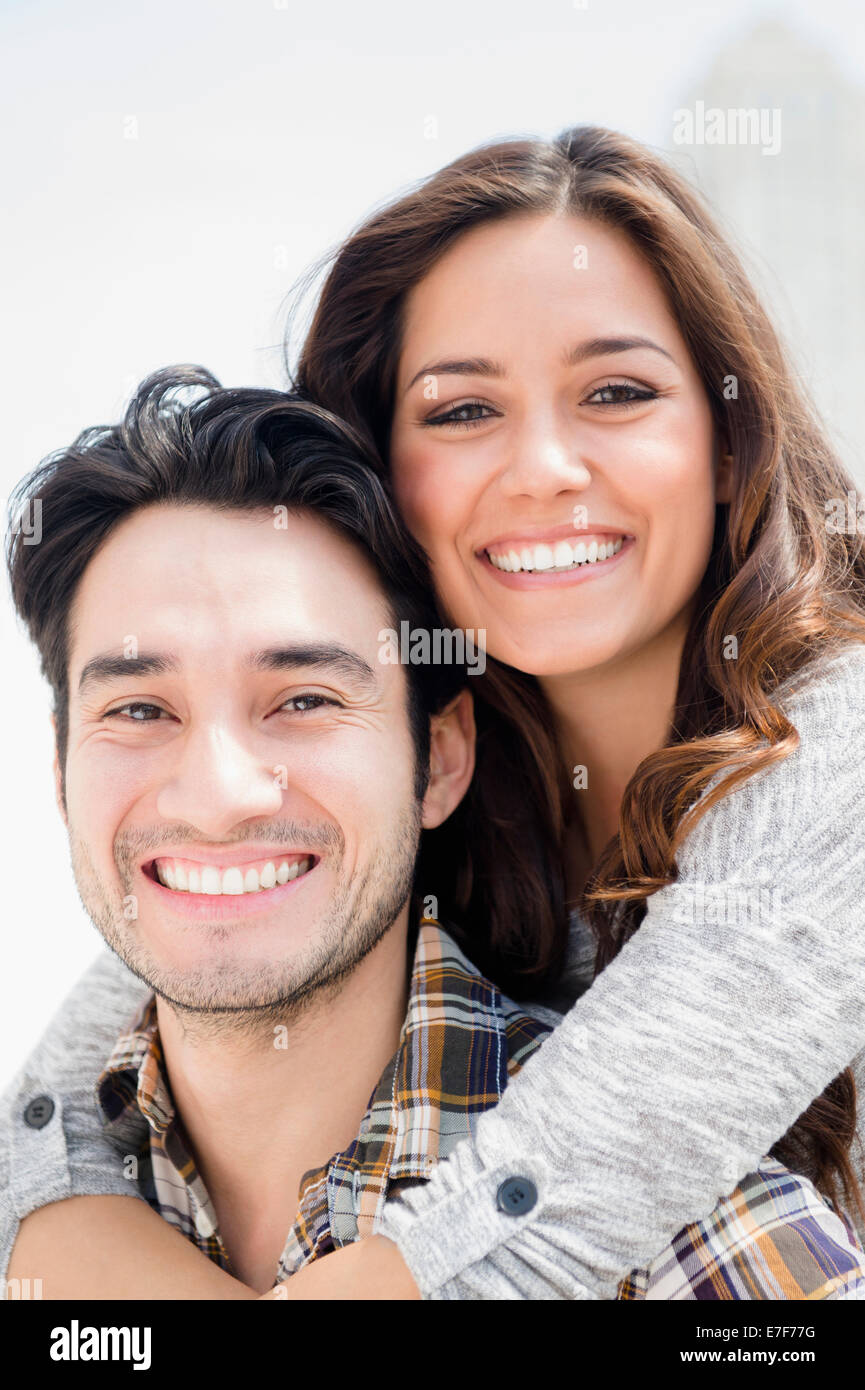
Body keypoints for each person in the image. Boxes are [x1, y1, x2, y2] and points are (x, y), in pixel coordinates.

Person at [6, 124, 865, 1301]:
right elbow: (166, 938)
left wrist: (80, 1267)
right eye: (461, 411)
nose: (545, 466)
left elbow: (527, 1230)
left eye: (615, 392)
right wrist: (57, 1214)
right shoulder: (441, 752)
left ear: (727, 441)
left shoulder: (841, 745)